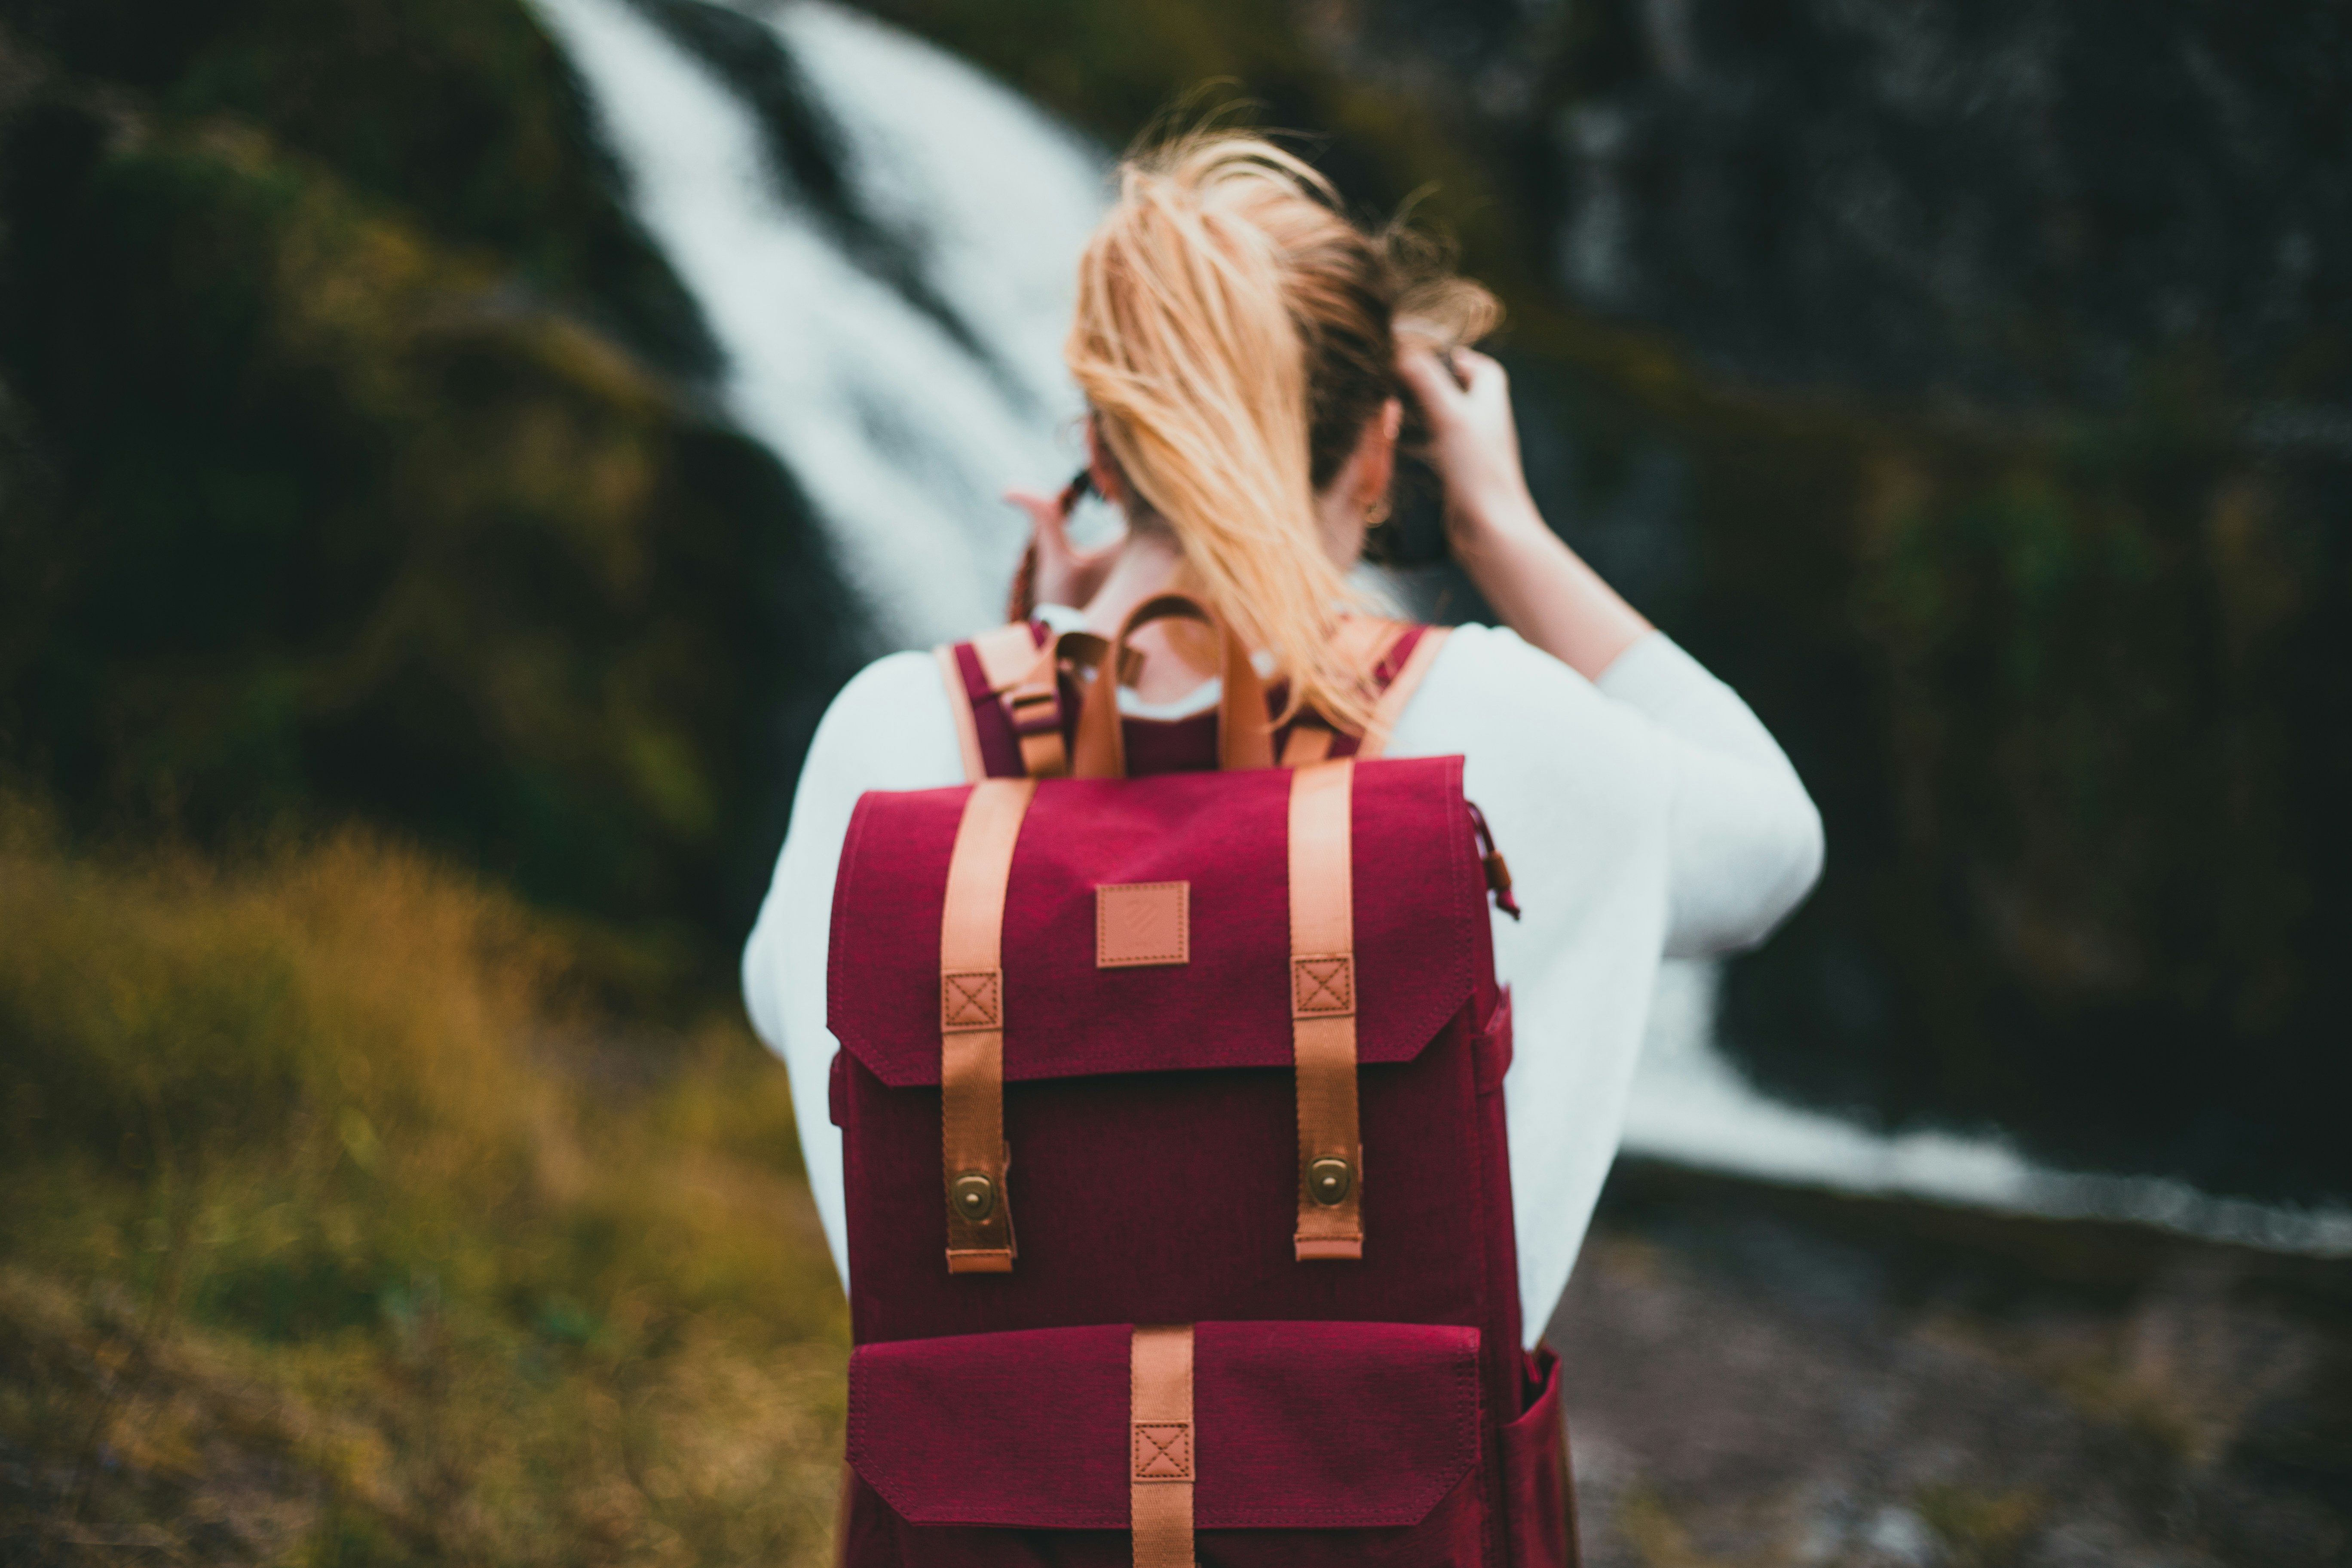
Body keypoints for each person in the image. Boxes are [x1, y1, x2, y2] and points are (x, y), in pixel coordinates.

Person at [741, 132, 1822, 1348]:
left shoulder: (889, 735)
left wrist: (1027, 671)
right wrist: (1502, 530)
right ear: (1374, 454)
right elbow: (1772, 851)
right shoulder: (1494, 726)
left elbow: (797, 1011)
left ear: (1100, 447)